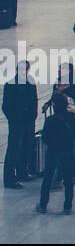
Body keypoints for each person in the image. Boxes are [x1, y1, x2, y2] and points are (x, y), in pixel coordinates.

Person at [36, 92, 75, 214]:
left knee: (48, 179)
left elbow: (45, 137)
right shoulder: (71, 117)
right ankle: (67, 206)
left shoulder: (50, 120)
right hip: (67, 151)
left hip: (53, 152)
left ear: (54, 105)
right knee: (68, 179)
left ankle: (43, 204)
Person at [48, 63, 75, 184]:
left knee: (74, 146)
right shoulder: (58, 83)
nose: (60, 72)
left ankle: (73, 172)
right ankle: (62, 172)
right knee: (62, 146)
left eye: (62, 70)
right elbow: (54, 97)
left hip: (74, 118)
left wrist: (65, 91)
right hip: (61, 118)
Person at [3, 59, 37, 188]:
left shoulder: (30, 82)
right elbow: (6, 106)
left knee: (25, 148)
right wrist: (14, 119)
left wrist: (33, 116)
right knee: (13, 149)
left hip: (28, 122)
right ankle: (9, 178)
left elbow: (34, 100)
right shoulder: (11, 84)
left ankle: (22, 172)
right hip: (17, 123)